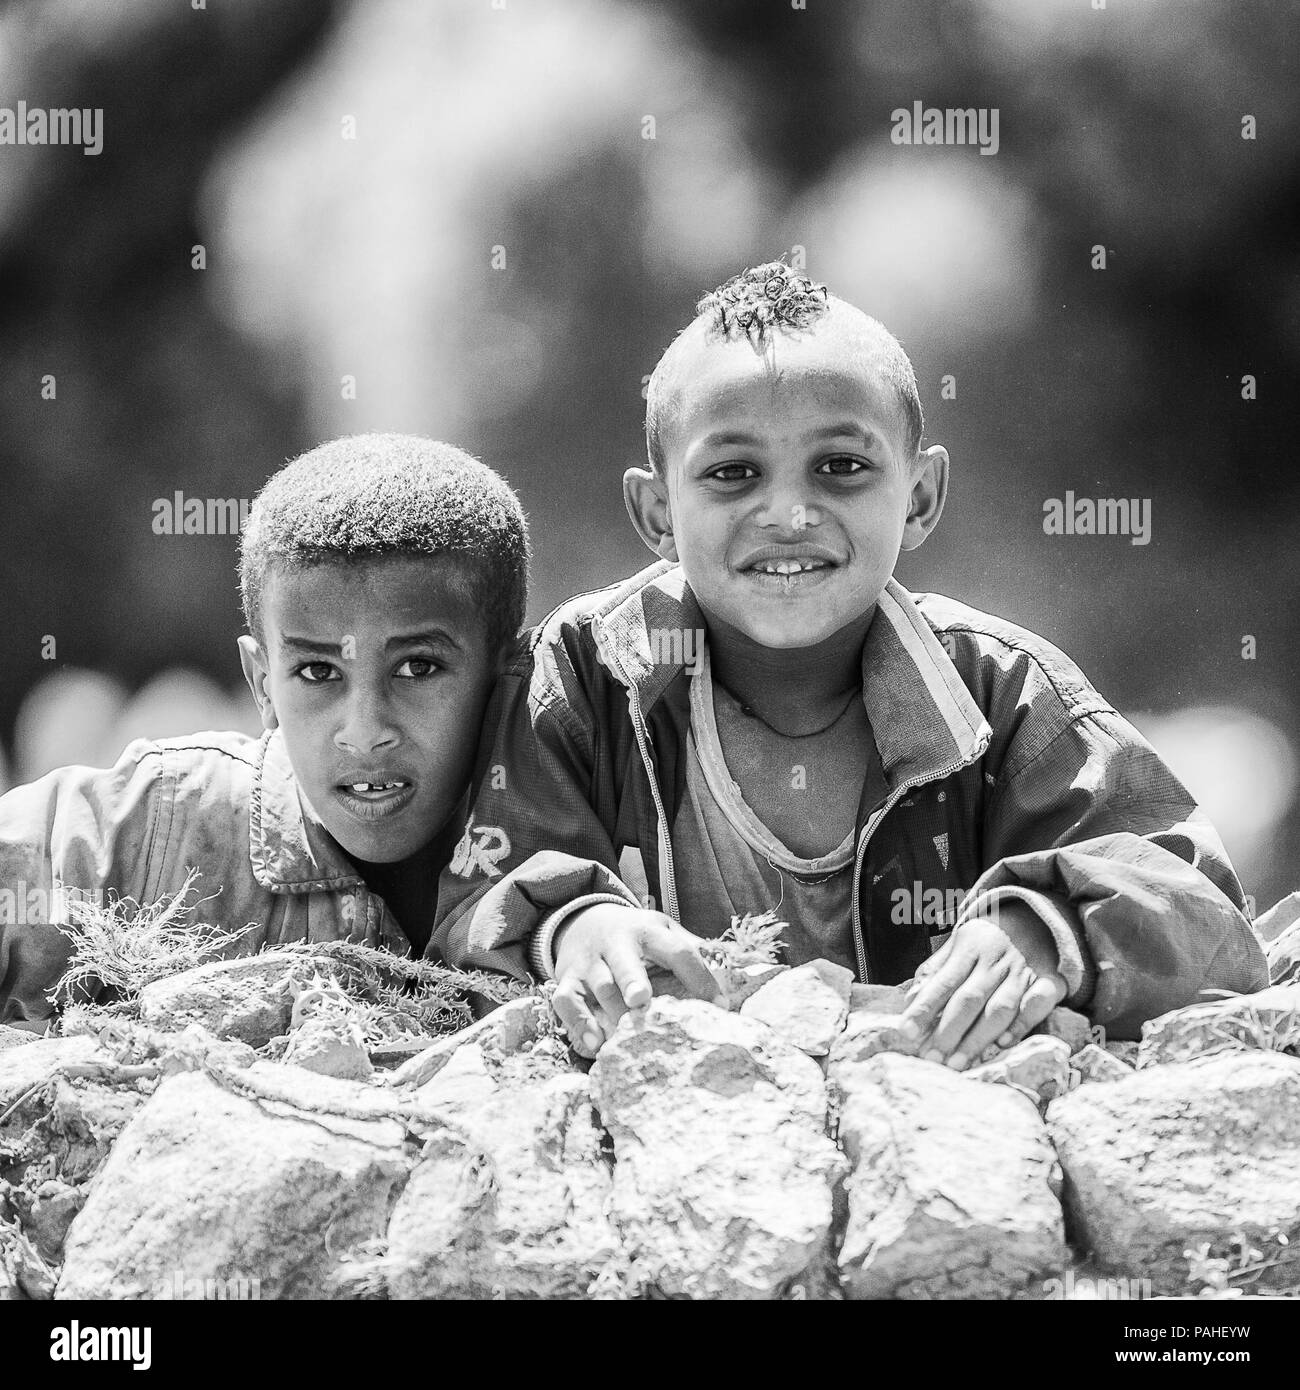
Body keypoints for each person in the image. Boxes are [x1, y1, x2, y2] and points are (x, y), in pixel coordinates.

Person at [433, 261, 1266, 1066]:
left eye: (842, 467)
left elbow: (1198, 903)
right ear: (656, 511)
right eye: (732, 473)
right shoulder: (586, 677)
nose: (790, 512)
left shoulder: (998, 695)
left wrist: (1044, 928)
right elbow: (472, 891)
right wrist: (572, 929)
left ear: (920, 496)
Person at [0, 433, 529, 1030]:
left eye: (417, 668)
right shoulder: (161, 826)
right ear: (262, 683)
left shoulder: (575, 847)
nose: (363, 733)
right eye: (317, 672)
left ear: (507, 674)